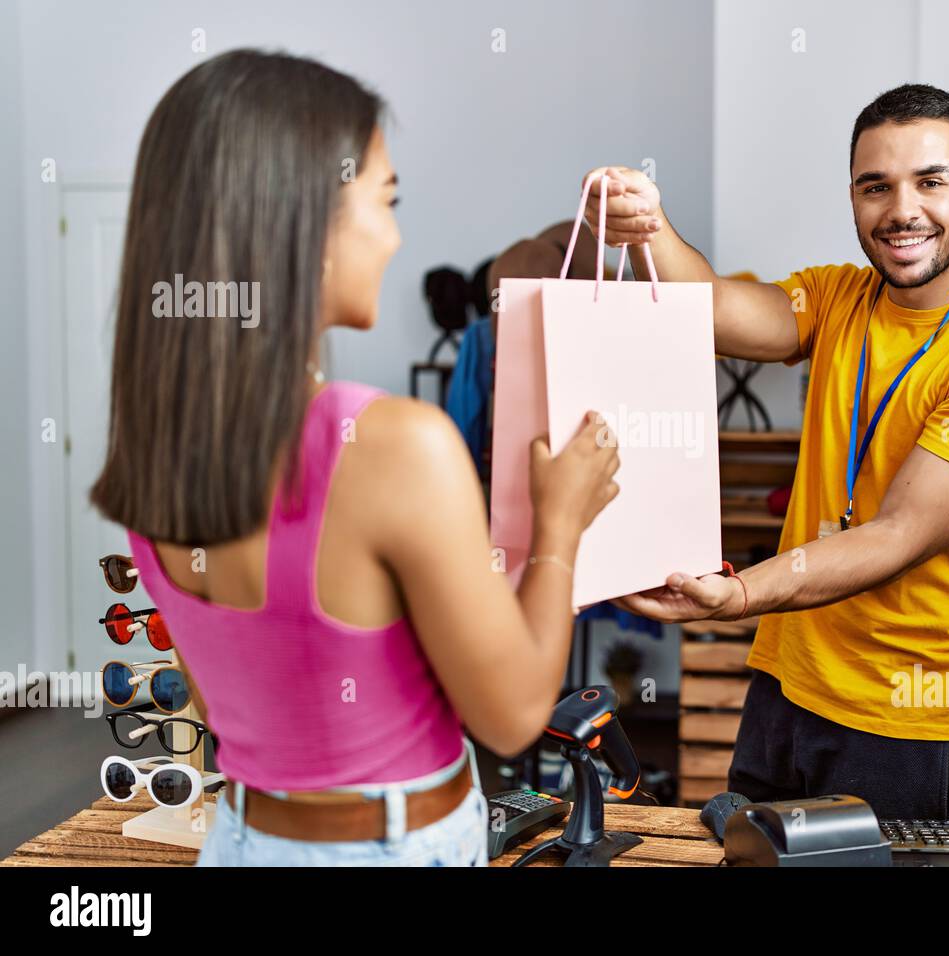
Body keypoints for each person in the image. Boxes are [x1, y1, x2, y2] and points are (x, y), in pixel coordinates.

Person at [89, 49, 619, 865]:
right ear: (304, 222)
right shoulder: (395, 446)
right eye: (386, 200)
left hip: (243, 841)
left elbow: (241, 706)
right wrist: (560, 526)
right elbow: (514, 717)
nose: (399, 233)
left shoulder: (156, 454)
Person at [586, 84, 949, 819]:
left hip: (904, 719)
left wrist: (742, 593)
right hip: (787, 686)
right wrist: (646, 225)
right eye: (876, 186)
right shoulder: (839, 297)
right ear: (853, 196)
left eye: (931, 181)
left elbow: (895, 535)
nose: (902, 210)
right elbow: (711, 307)